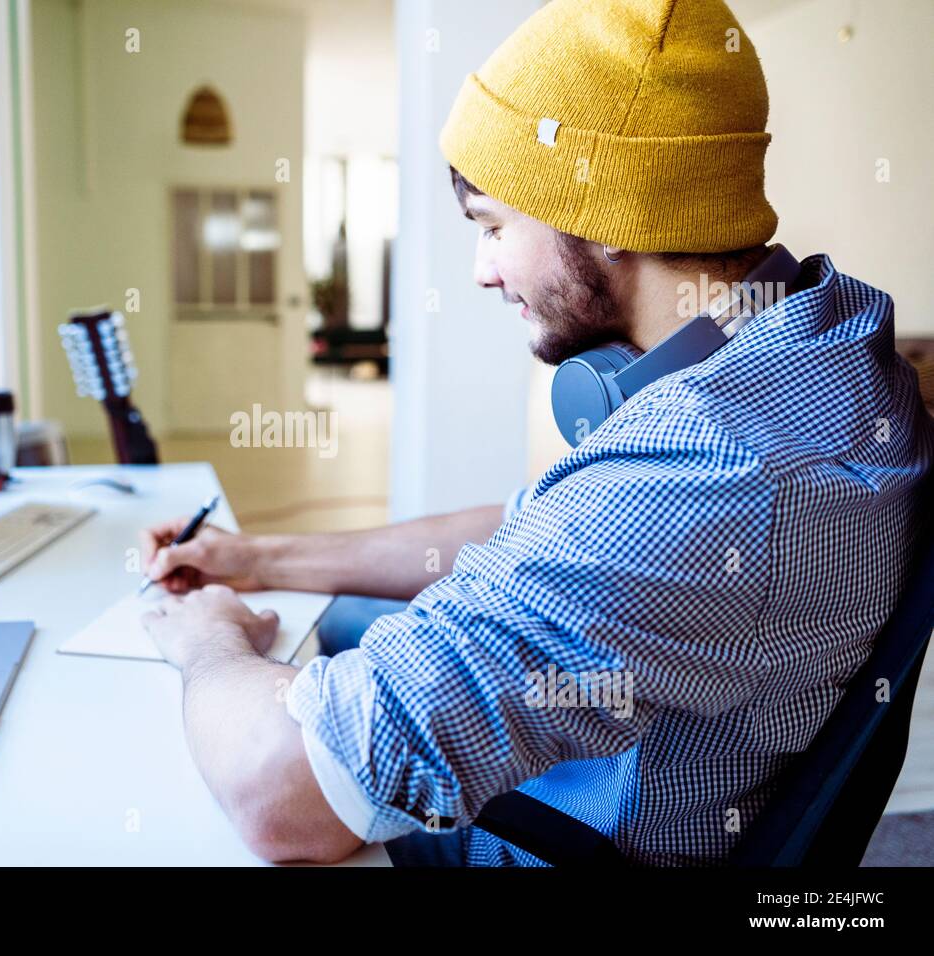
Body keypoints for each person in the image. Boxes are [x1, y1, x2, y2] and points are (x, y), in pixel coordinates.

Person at [137, 0, 934, 865]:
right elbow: (533, 528)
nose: (483, 271)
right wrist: (260, 559)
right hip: (611, 783)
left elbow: (277, 794)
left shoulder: (708, 476)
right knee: (326, 630)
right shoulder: (821, 351)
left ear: (608, 210)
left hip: (534, 842)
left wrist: (206, 638)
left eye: (493, 226)